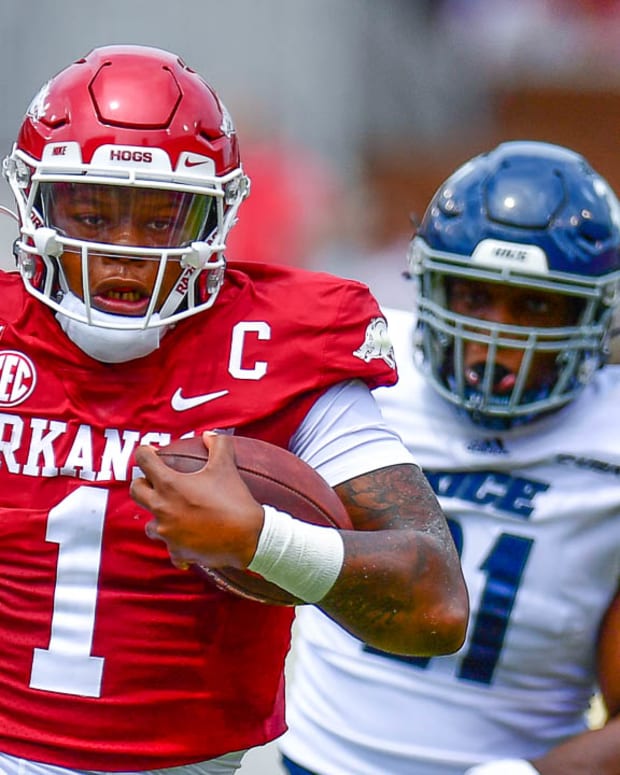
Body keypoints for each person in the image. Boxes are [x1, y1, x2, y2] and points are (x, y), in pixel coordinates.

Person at [0, 44, 468, 775]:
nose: (125, 251)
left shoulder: (280, 344)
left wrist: (263, 540)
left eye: (161, 221)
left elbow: (436, 602)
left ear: (218, 216)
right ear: (35, 203)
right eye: (90, 212)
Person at [280, 140, 620, 774]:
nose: (493, 337)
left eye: (538, 306)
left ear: (595, 315)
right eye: (471, 296)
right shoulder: (359, 366)